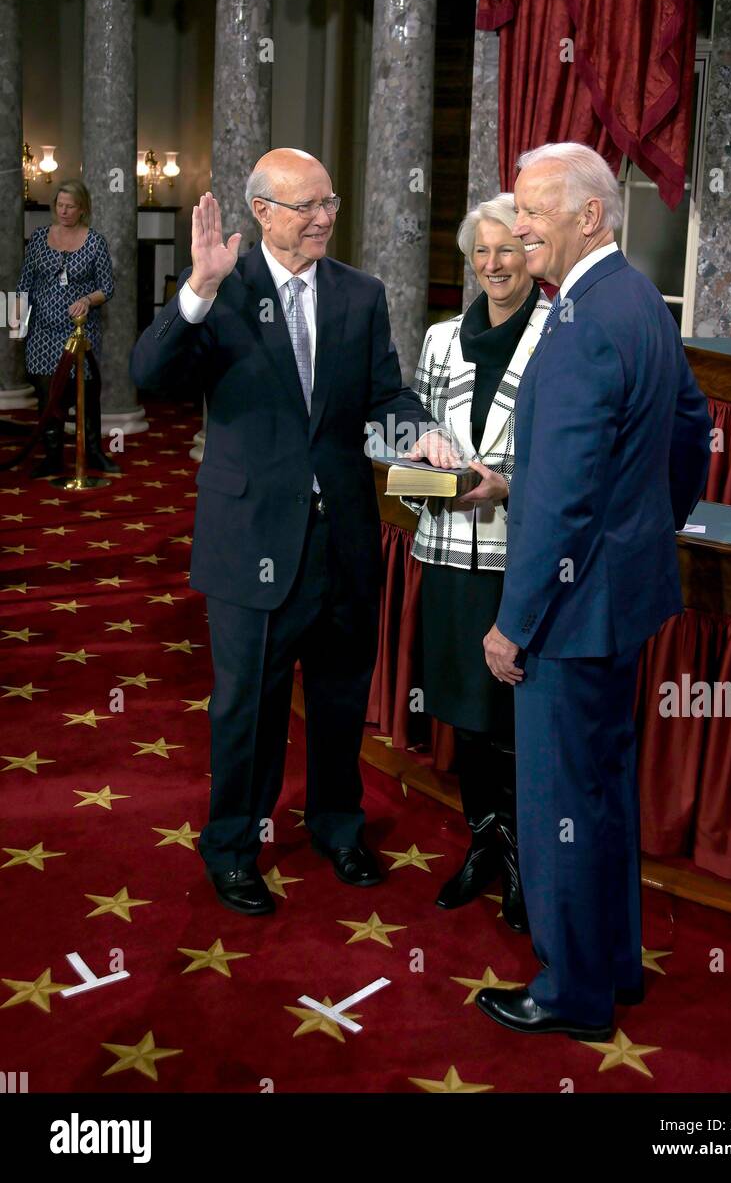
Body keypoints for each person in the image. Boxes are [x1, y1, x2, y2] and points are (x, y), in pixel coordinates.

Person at [130, 148, 453, 916]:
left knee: (341, 697)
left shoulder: (360, 294)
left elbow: (386, 392)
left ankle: (339, 827)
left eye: (328, 202)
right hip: (250, 541)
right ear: (263, 213)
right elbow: (151, 375)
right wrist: (198, 289)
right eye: (305, 206)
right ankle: (234, 846)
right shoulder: (224, 292)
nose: (322, 217)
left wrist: (419, 429)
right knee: (248, 707)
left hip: (340, 538)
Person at [476, 142, 712, 1040]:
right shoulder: (636, 299)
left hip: (568, 618)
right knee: (604, 792)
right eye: (517, 208)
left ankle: (570, 995)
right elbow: (690, 425)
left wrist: (514, 625)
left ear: (591, 216)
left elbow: (567, 499)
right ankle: (613, 966)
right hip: (624, 599)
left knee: (558, 806)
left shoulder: (580, 320)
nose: (518, 225)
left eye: (534, 211)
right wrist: (643, 525)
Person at [403, 195, 551, 931]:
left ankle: (528, 863)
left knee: (511, 719)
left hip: (519, 562)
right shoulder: (436, 340)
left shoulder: (560, 333)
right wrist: (420, 469)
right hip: (447, 556)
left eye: (507, 250)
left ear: (530, 252)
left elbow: (571, 463)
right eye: (480, 254)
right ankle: (482, 845)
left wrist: (508, 488)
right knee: (462, 711)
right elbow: (416, 440)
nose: (494, 265)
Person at [13, 180, 117, 477]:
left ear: (82, 208)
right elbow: (24, 283)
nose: (64, 211)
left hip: (80, 335)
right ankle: (52, 455)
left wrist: (86, 299)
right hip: (42, 335)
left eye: (70, 206)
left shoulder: (96, 242)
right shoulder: (38, 238)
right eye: (59, 205)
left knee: (86, 394)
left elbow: (107, 288)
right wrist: (14, 328)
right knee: (48, 398)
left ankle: (93, 452)